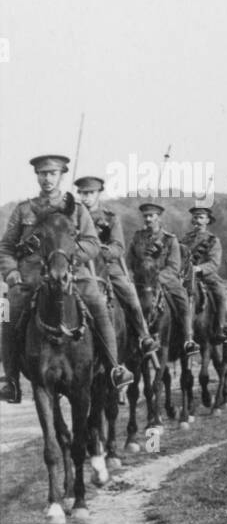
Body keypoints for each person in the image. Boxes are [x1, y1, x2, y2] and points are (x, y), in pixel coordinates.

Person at [0, 154, 134, 403]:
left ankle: (115, 368)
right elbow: (6, 247)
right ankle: (10, 380)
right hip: (30, 277)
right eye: (43, 174)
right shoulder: (24, 210)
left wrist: (69, 258)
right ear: (37, 176)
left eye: (52, 174)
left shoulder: (77, 209)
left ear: (61, 176)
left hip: (74, 274)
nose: (47, 178)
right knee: (8, 312)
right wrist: (11, 272)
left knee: (99, 306)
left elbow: (93, 244)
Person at [73, 174, 159, 360]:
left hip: (106, 266)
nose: (86, 197)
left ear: (99, 194)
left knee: (131, 295)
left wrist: (101, 251)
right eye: (82, 193)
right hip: (78, 265)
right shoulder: (73, 216)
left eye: (90, 193)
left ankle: (143, 335)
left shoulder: (110, 218)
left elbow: (118, 246)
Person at [128, 203, 200, 356]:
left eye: (151, 216)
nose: (147, 219)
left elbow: (174, 266)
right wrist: (133, 276)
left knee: (182, 298)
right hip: (141, 281)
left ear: (158, 218)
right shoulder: (137, 237)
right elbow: (130, 261)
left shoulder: (170, 240)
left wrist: (155, 278)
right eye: (145, 216)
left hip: (164, 279)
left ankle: (188, 339)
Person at [182, 204, 227, 339]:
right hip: (185, 276)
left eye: (201, 217)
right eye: (195, 217)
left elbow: (214, 263)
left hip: (206, 277)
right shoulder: (185, 239)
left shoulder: (213, 240)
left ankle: (220, 327)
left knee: (221, 295)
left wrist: (199, 269)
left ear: (207, 221)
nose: (197, 220)